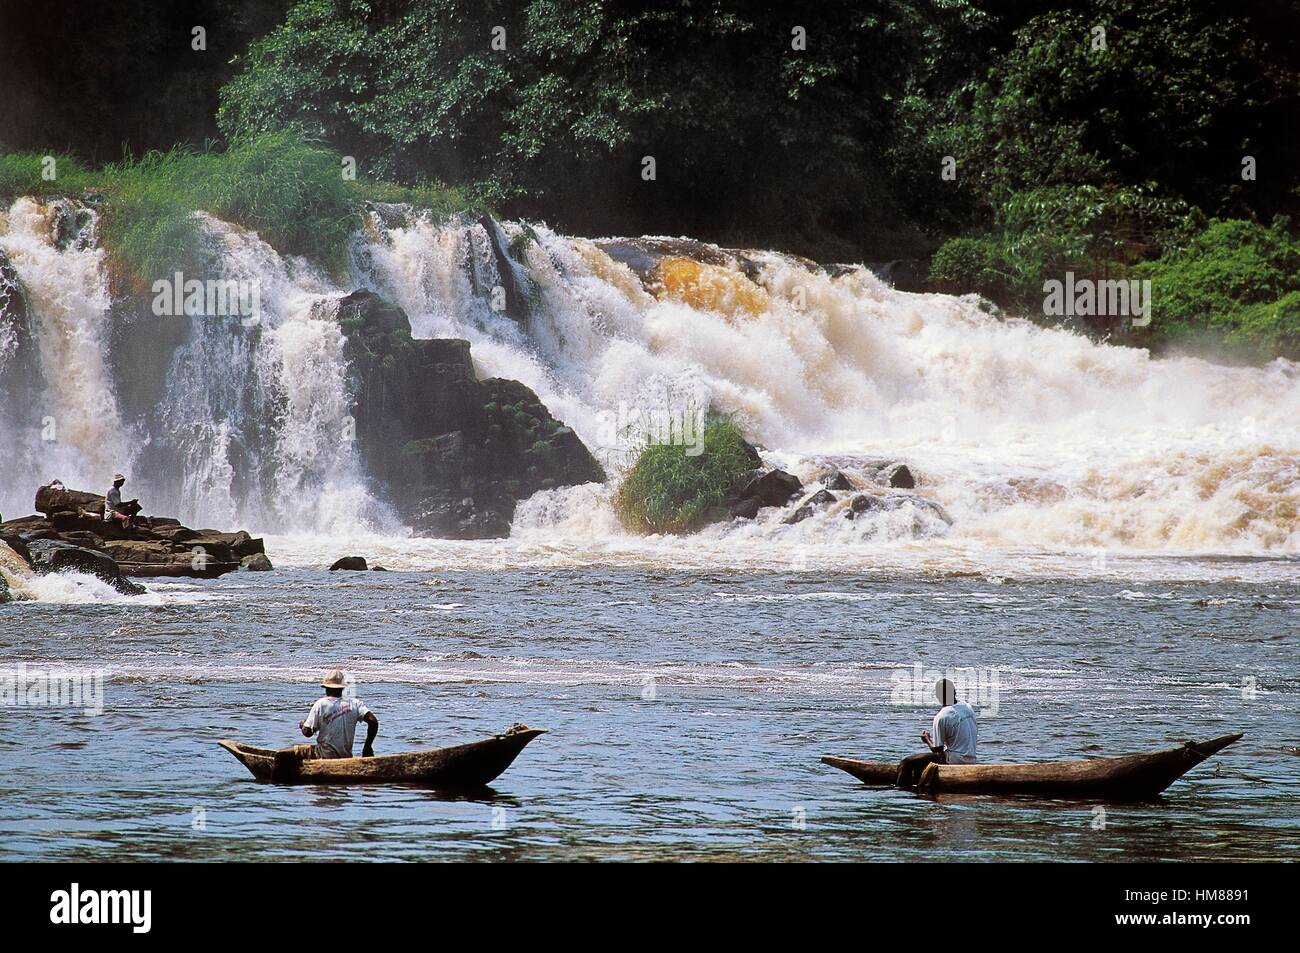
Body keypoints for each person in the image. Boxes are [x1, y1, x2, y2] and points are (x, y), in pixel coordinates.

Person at [896, 677, 978, 789]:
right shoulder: (968, 707)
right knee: (921, 761)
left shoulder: (942, 716)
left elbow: (938, 752)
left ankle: (900, 791)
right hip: (972, 759)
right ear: (954, 692)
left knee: (906, 762)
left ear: (938, 696)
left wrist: (927, 739)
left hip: (954, 761)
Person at [296, 669, 379, 759]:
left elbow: (308, 733)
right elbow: (373, 721)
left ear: (326, 688)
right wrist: (367, 746)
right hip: (346, 756)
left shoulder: (321, 704)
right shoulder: (354, 703)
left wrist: (303, 725)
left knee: (294, 754)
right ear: (342, 688)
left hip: (323, 756)